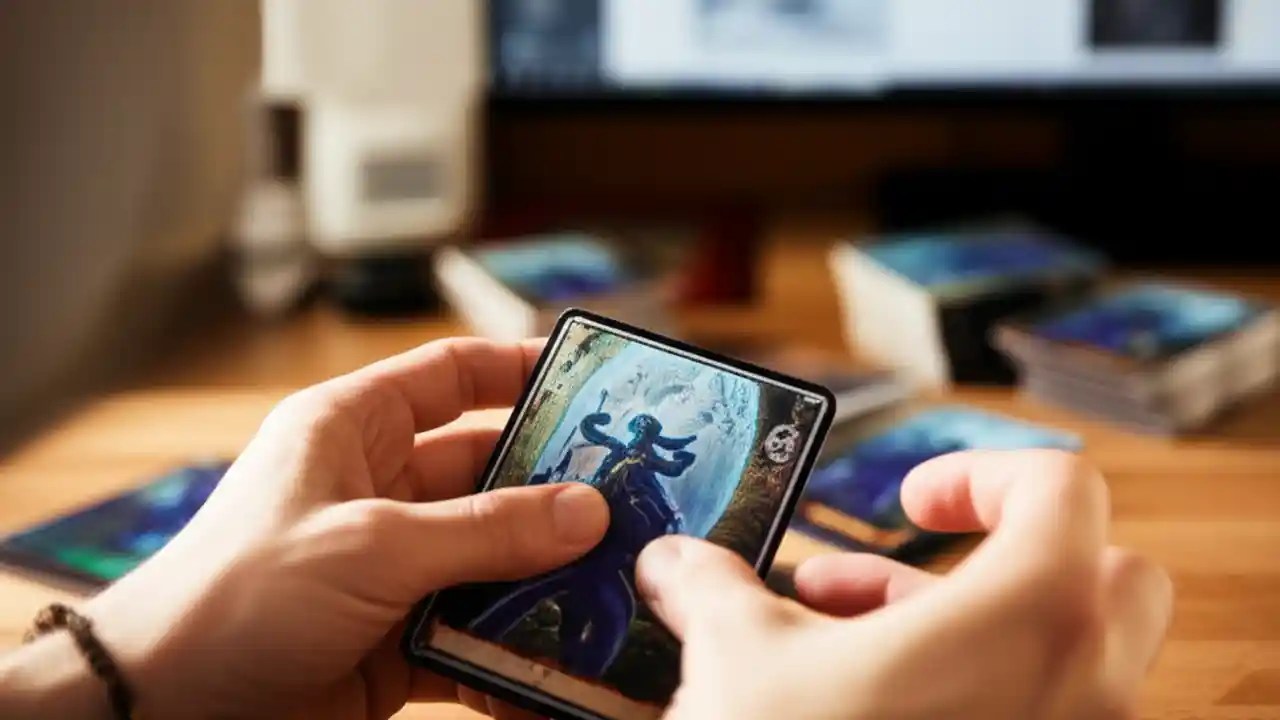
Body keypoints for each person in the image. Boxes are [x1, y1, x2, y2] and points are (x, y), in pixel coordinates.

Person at [0, 337, 1173, 720]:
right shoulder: (630, 472)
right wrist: (127, 664)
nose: (669, 425)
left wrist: (124, 672)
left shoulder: (657, 486)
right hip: (612, 543)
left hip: (624, 553)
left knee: (592, 629)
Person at [464, 412, 695, 679]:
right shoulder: (624, 458)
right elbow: (595, 433)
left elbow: (671, 468)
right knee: (552, 600)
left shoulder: (642, 470)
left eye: (646, 431)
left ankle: (573, 672)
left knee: (602, 618)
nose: (640, 438)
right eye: (639, 429)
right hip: (591, 547)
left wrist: (680, 460)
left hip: (603, 557)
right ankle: (481, 638)